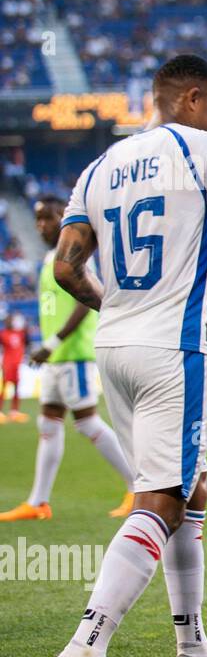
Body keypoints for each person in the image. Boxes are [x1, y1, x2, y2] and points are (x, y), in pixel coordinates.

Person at [50, 54, 207, 657]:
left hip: (115, 343)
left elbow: (64, 267)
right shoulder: (204, 151)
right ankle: (87, 645)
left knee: (189, 489)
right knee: (165, 497)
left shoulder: (101, 165)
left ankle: (192, 645)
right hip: (177, 348)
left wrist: (110, 305)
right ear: (192, 98)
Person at [0, 196, 133, 522]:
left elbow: (86, 301)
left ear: (64, 217)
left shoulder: (76, 251)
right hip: (57, 358)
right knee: (48, 422)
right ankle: (38, 502)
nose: (40, 226)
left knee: (87, 422)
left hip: (72, 355)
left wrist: (54, 342)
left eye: (46, 218)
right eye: (37, 220)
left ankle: (138, 485)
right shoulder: (49, 257)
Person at [0, 312, 26, 421]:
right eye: (8, 320)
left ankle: (14, 412)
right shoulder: (2, 334)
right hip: (7, 364)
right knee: (4, 387)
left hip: (17, 364)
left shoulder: (20, 333)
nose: (10, 322)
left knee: (16, 388)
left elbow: (25, 343)